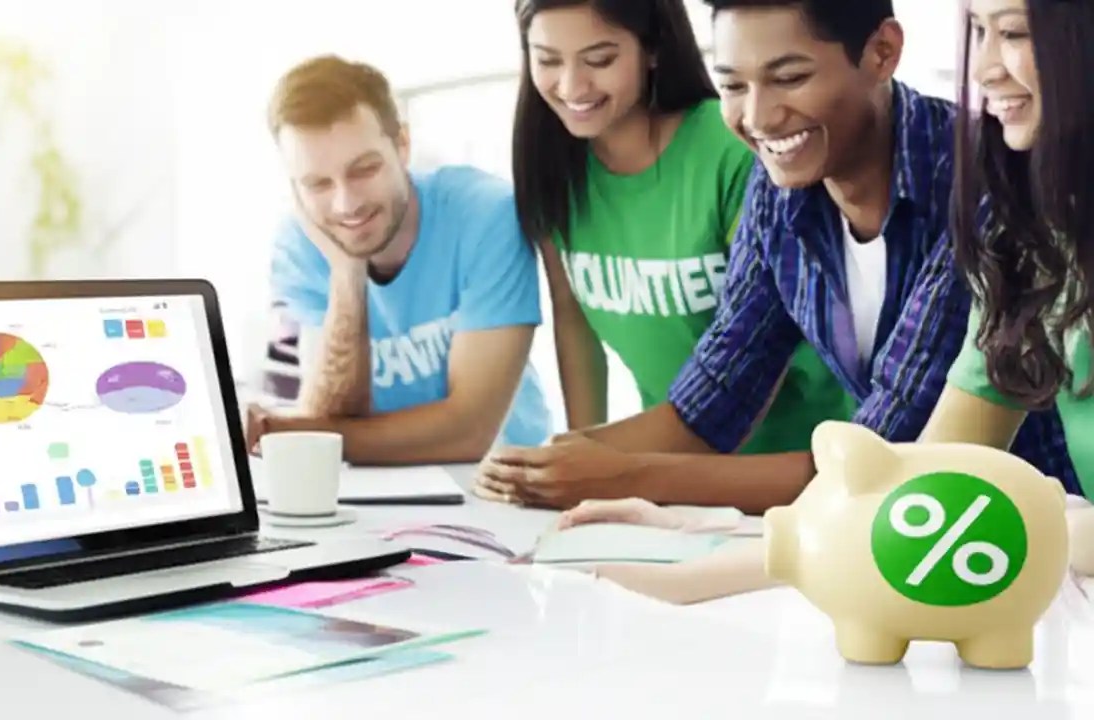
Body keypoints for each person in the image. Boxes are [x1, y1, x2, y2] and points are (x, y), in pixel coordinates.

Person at [555, 0, 1094, 604]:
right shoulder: (1040, 239)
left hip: (1003, 572)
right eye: (976, 32)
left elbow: (897, 446)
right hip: (984, 577)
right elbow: (904, 473)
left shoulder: (980, 190)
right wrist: (684, 551)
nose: (985, 69)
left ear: (883, 53)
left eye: (1014, 33)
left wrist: (1068, 527)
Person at [504, 0, 853, 467]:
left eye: (600, 60)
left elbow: (750, 359)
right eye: (547, 60)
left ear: (651, 49)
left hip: (799, 463)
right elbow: (572, 320)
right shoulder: (554, 171)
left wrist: (596, 460)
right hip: (664, 465)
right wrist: (576, 463)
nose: (571, 86)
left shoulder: (735, 151)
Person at [247, 55, 553, 465]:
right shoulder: (300, 243)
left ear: (402, 145)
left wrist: (286, 431)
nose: (346, 203)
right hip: (372, 489)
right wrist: (347, 270)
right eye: (318, 183)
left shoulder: (485, 214)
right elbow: (329, 418)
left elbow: (468, 432)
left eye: (364, 169)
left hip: (497, 479)